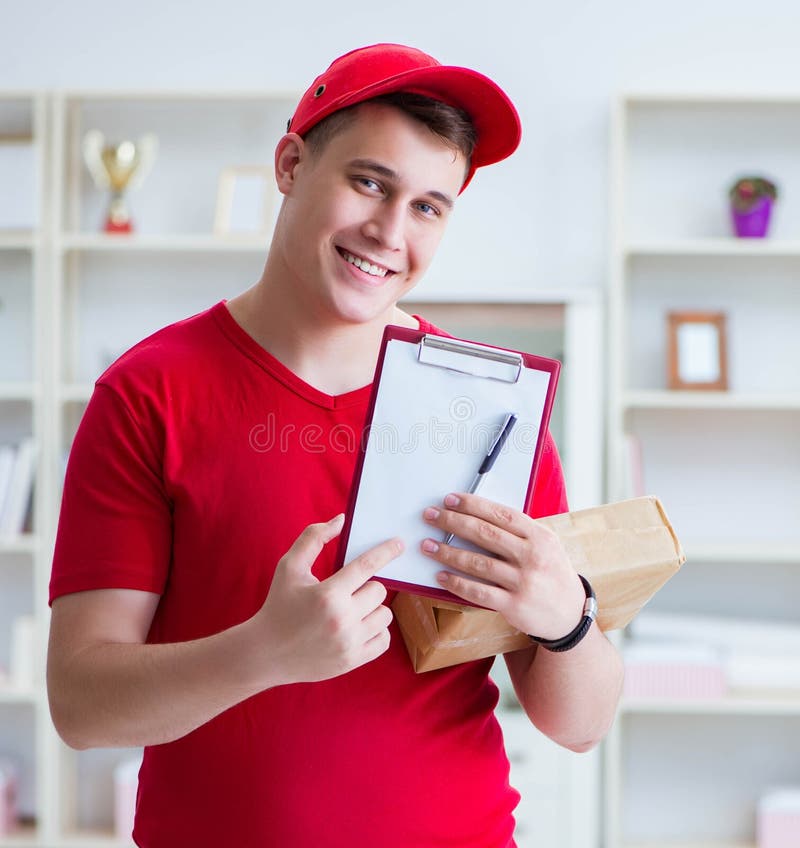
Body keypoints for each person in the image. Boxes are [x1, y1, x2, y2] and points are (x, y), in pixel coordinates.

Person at [47, 43, 623, 847]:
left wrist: (567, 619)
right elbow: (79, 703)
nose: (390, 232)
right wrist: (261, 652)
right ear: (290, 164)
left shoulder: (492, 408)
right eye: (369, 182)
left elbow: (580, 724)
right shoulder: (150, 394)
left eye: (429, 205)